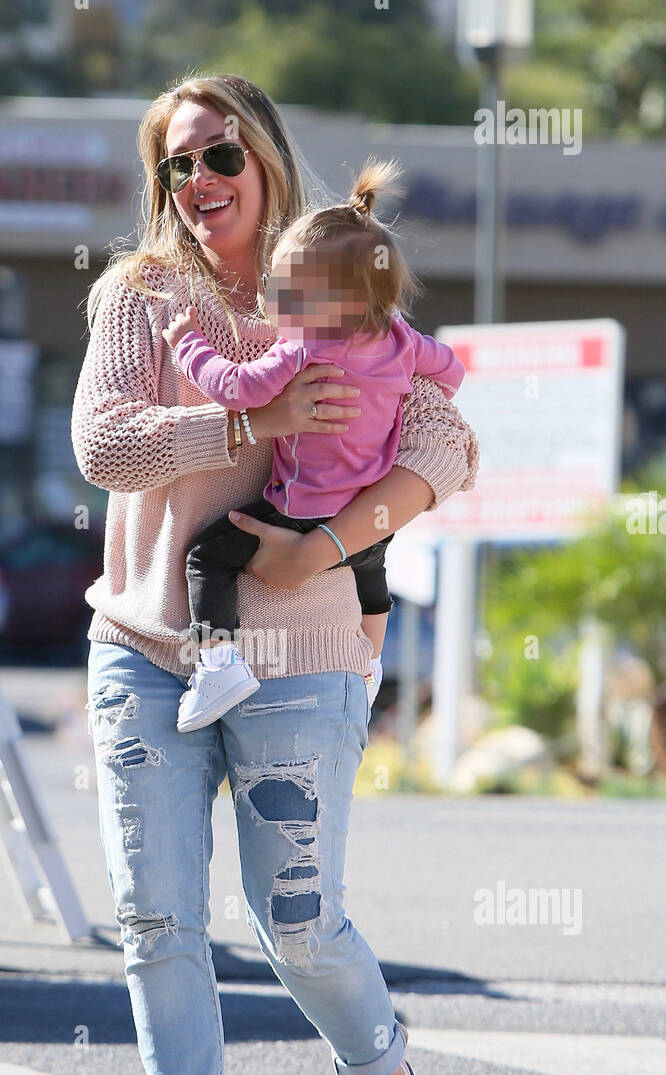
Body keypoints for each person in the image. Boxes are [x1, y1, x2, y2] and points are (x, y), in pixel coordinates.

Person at [71, 72, 478, 1075]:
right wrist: (248, 424)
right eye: (174, 166)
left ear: (265, 157)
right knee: (155, 917)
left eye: (218, 156)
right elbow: (103, 442)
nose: (197, 182)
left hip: (301, 649)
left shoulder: (334, 278)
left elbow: (445, 442)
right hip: (147, 644)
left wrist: (323, 554)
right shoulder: (142, 297)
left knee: (294, 917)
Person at [164, 156, 465, 734]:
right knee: (373, 585)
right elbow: (450, 372)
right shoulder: (400, 339)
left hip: (301, 507)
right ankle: (370, 666)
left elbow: (236, 387)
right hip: (367, 512)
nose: (276, 300)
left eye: (289, 290)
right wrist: (393, 395)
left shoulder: (305, 347)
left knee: (207, 555)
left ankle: (218, 663)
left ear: (341, 298)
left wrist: (187, 343)